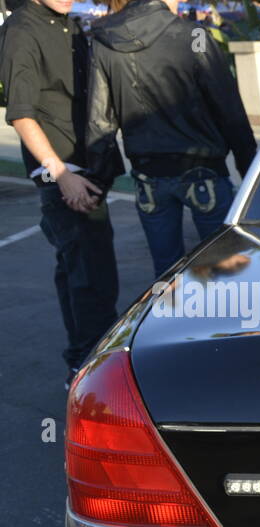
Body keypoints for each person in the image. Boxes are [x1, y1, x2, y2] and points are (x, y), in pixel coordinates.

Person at [0, 0, 124, 387]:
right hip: (64, 173)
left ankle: (83, 367)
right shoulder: (22, 28)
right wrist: (60, 173)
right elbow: (21, 112)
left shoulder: (68, 23)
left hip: (89, 170)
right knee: (91, 281)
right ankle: (92, 378)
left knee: (80, 274)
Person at [85, 0, 256, 277]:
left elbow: (99, 120)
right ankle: (221, 319)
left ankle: (174, 317)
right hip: (203, 171)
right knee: (227, 273)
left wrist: (98, 179)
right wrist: (250, 170)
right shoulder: (194, 36)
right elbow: (229, 110)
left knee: (167, 277)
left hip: (148, 176)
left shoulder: (105, 41)